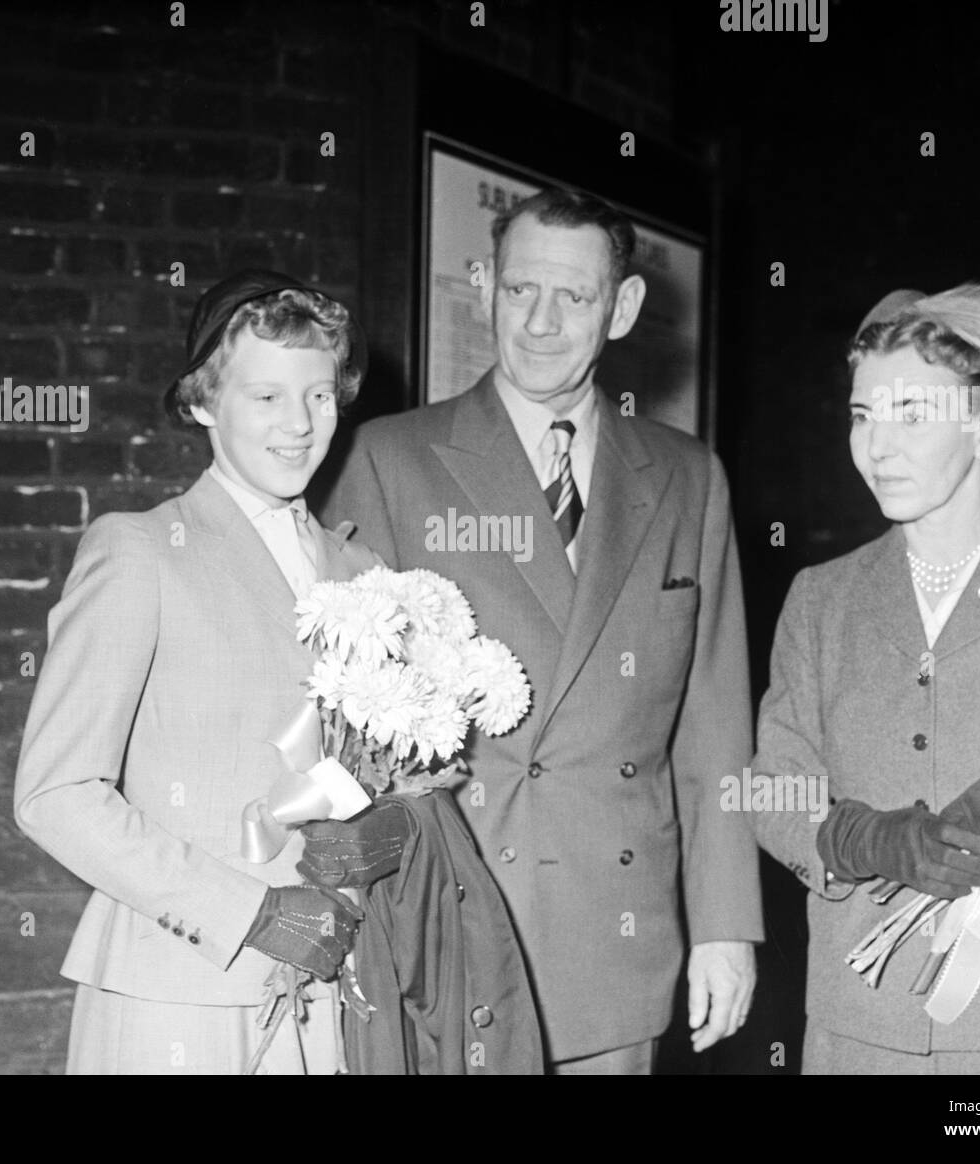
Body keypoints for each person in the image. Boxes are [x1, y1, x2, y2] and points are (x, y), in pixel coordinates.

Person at [319, 186, 763, 1073]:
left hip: (616, 937)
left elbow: (716, 732)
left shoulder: (687, 478)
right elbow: (334, 724)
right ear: (484, 288)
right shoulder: (391, 459)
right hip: (452, 929)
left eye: (576, 296)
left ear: (625, 308)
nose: (542, 323)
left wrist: (725, 928)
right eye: (521, 290)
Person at [750, 282, 980, 1074]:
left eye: (911, 414)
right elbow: (771, 787)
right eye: (863, 415)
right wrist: (862, 837)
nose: (877, 446)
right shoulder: (823, 598)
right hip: (859, 1024)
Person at [15, 271, 383, 1074]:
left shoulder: (366, 573)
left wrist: (383, 836)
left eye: (320, 397)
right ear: (203, 404)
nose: (300, 425)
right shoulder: (140, 551)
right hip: (177, 995)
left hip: (337, 999)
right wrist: (251, 913)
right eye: (266, 399)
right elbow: (56, 796)